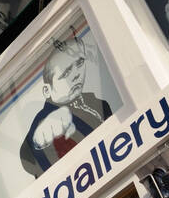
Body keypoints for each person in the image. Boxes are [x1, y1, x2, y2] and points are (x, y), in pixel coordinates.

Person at [19, 35, 111, 177]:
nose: (76, 75)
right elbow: (28, 156)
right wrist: (39, 140)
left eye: (79, 63)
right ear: (47, 90)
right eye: (66, 73)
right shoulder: (46, 118)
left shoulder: (98, 104)